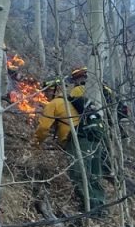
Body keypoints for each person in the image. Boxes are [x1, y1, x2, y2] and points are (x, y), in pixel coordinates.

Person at [33, 67, 107, 212]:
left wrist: (35, 144)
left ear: (54, 89)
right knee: (94, 175)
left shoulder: (54, 103)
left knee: (78, 174)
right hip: (94, 139)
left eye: (47, 91)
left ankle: (89, 210)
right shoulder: (71, 100)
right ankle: (100, 208)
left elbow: (43, 128)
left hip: (78, 140)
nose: (45, 95)